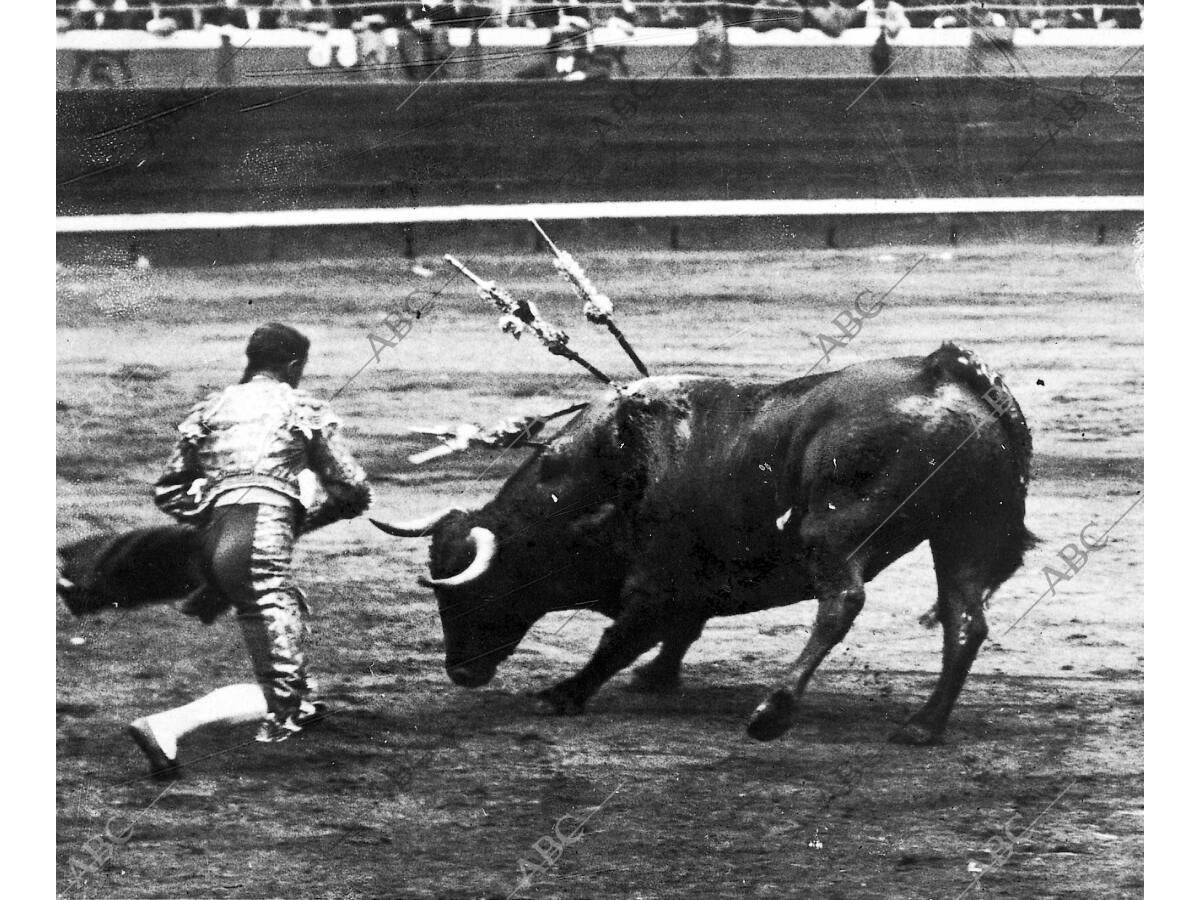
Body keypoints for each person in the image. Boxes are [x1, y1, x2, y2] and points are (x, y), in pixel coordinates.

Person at [127, 323, 372, 779]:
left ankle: (297, 702)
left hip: (219, 539)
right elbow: (353, 488)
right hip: (258, 539)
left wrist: (215, 514)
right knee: (286, 693)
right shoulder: (301, 407)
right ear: (294, 364)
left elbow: (168, 490)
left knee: (288, 629)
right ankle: (166, 726)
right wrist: (301, 517)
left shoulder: (210, 408)